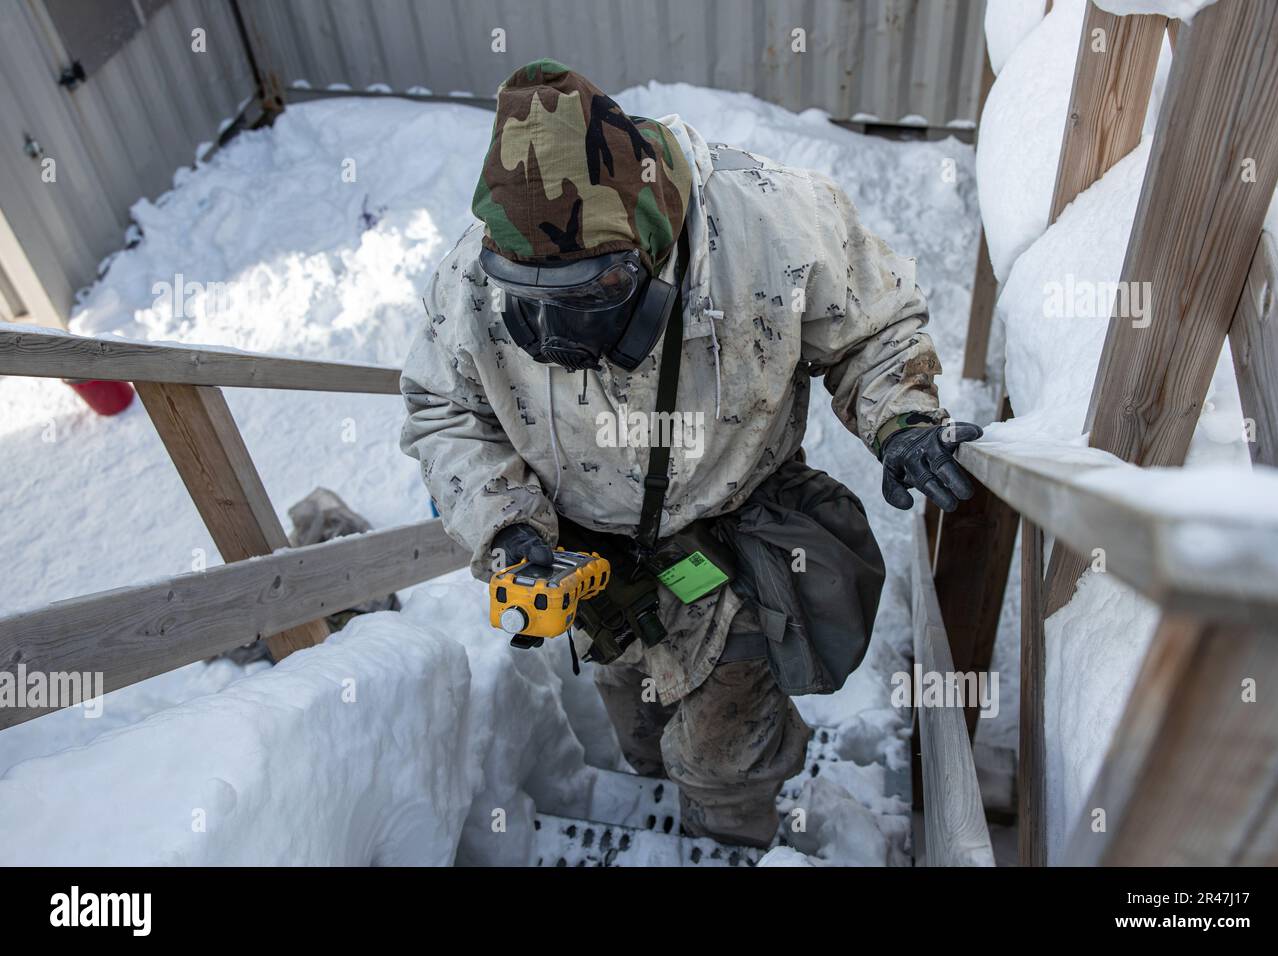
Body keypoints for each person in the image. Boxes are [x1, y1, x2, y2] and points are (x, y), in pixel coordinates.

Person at [400, 59, 982, 847]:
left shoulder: (771, 224)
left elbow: (871, 326)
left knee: (722, 753)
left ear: (650, 242)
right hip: (593, 567)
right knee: (638, 728)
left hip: (735, 537)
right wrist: (509, 526)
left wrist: (902, 417)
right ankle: (663, 816)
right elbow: (446, 408)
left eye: (588, 296)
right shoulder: (469, 279)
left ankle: (732, 839)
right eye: (532, 300)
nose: (559, 336)